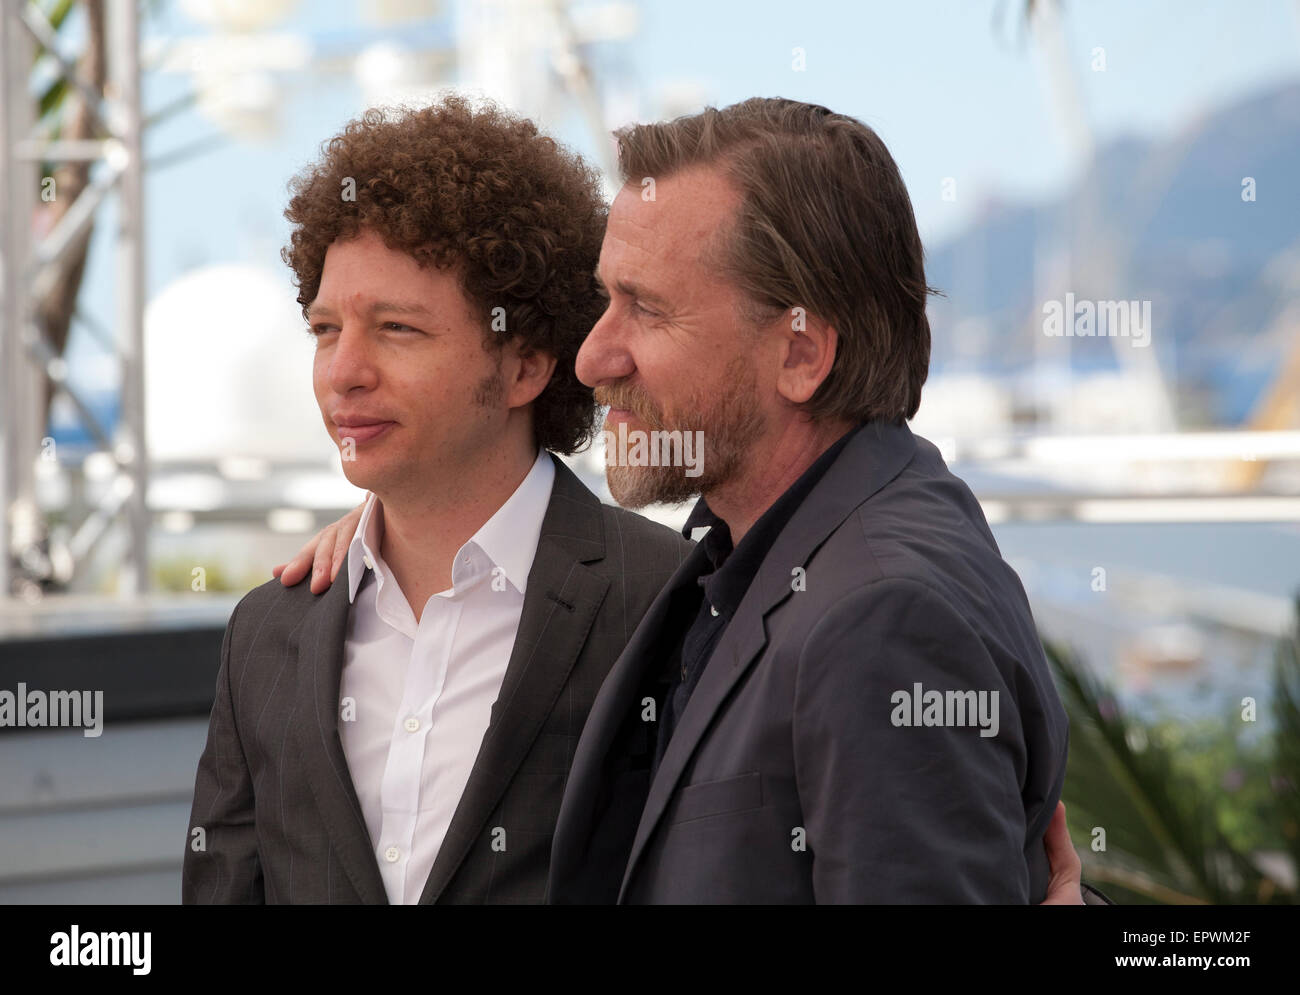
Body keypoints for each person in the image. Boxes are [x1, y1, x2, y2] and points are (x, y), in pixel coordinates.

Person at [260, 97, 1099, 904]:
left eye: (646, 310)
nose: (591, 358)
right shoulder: (754, 560)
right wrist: (401, 528)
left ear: (800, 355)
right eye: (605, 299)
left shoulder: (882, 615)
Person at [182, 97, 691, 904]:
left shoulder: (670, 602)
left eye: (396, 329)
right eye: (323, 329)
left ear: (526, 365)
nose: (343, 370)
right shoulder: (268, 633)